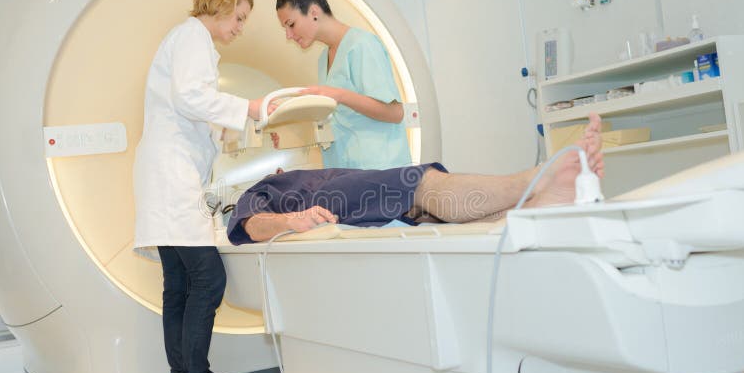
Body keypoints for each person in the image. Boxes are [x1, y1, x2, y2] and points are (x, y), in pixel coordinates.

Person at [133, 0, 271, 373]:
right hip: (172, 177)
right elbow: (190, 96)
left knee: (181, 287)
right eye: (239, 17)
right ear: (222, 3)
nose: (239, 28)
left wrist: (225, 130)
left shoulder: (186, 40)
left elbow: (188, 106)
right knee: (207, 281)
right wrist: (249, 108)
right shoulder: (192, 34)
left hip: (166, 174)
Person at [228, 114, 604, 244]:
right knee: (421, 185)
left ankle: (537, 206)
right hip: (327, 200)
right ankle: (533, 181)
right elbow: (251, 223)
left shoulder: (297, 176)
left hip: (349, 202)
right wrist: (291, 219)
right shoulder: (268, 187)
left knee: (439, 216)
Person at [274, 0, 411, 170]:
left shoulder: (361, 45)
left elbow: (395, 113)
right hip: (345, 172)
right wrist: (293, 135)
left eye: (291, 25)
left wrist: (338, 95)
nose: (289, 35)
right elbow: (342, 122)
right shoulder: (324, 58)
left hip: (380, 171)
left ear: (313, 12)